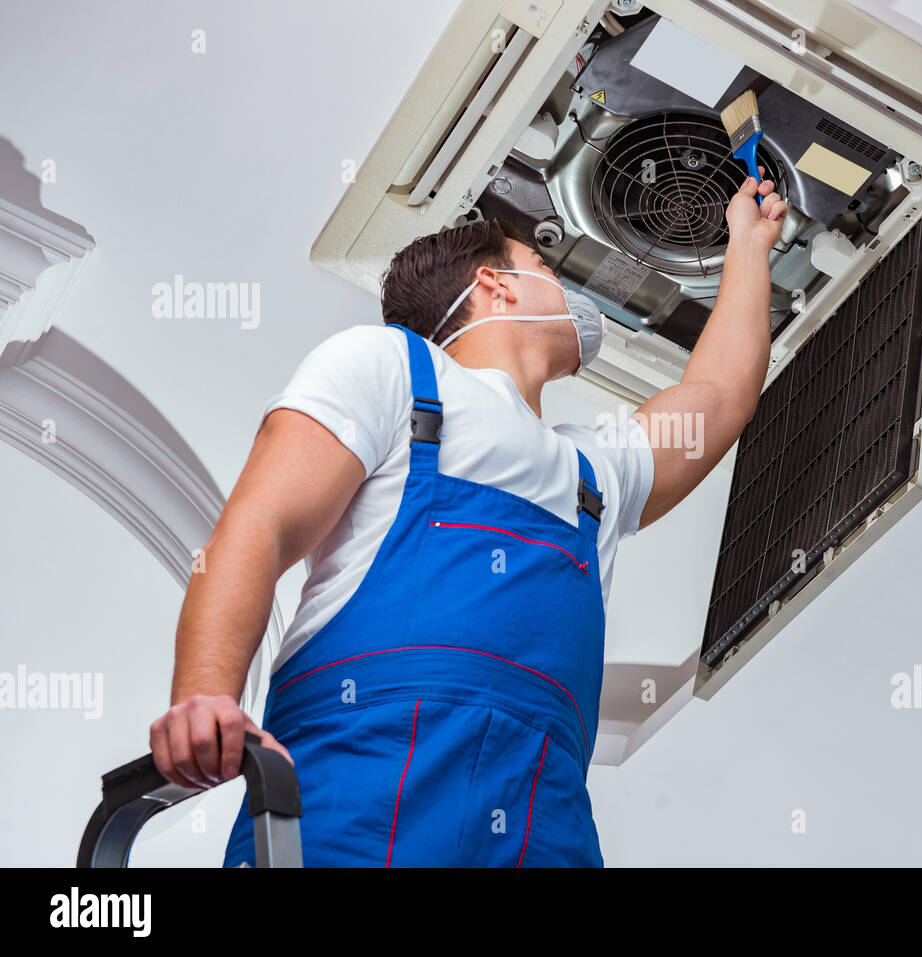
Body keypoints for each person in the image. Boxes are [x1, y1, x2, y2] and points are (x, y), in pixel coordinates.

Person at [149, 170, 789, 866]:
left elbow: (719, 397)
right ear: (498, 285)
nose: (570, 293)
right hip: (361, 784)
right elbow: (257, 525)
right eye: (545, 266)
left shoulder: (593, 471)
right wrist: (204, 697)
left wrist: (748, 246)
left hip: (541, 815)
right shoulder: (392, 365)